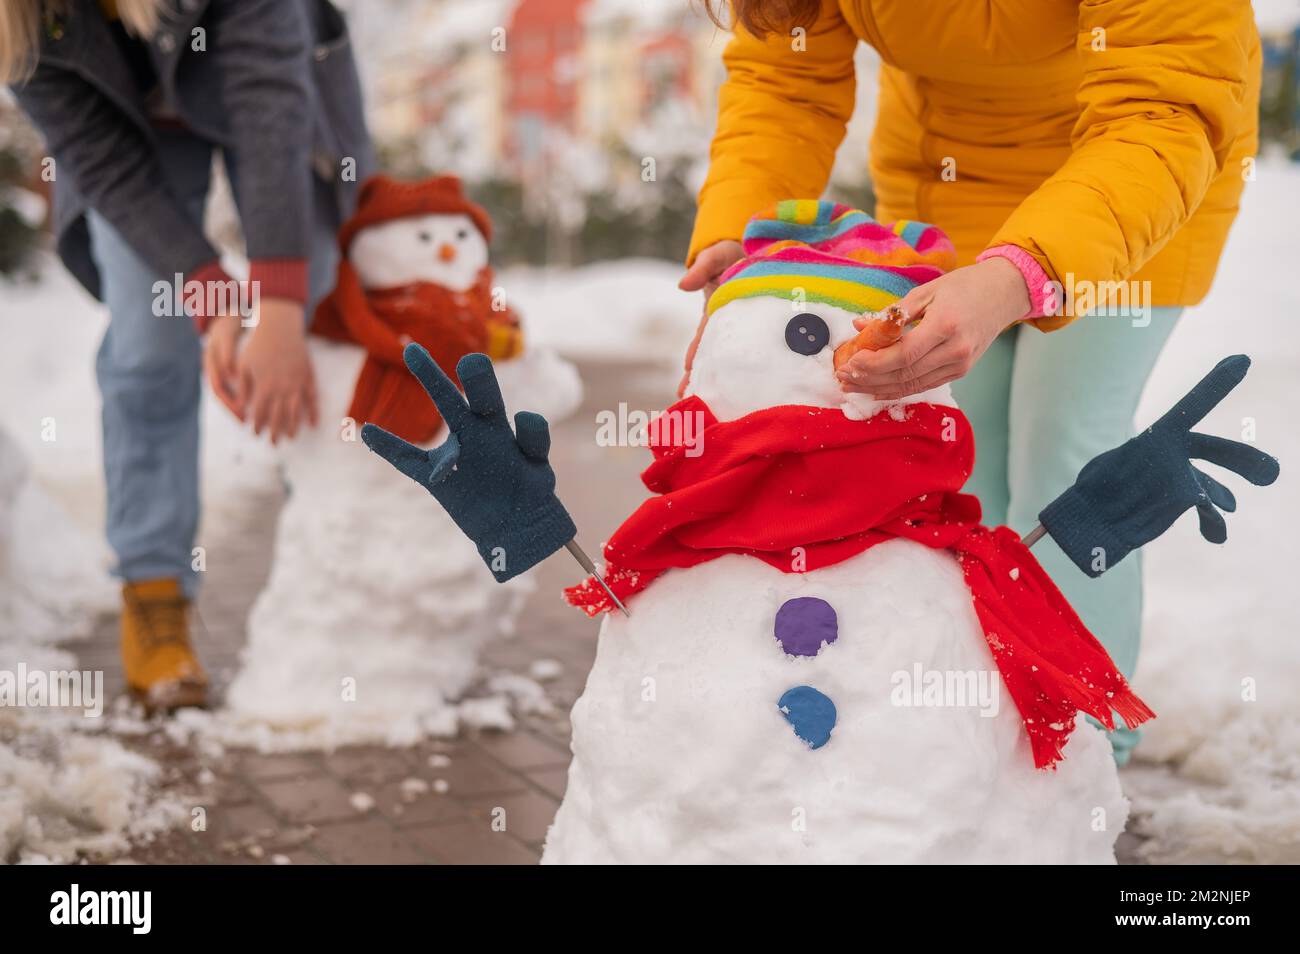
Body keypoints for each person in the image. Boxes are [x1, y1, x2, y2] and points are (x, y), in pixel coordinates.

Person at [679, 0, 1259, 763]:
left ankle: (1081, 743)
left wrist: (1021, 275)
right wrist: (742, 232)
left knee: (1063, 452)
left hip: (1135, 185)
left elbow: (1165, 108)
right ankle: (971, 727)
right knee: (956, 462)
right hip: (950, 181)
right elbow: (786, 82)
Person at [2, 0, 374, 708]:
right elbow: (98, 156)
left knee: (324, 309)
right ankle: (155, 595)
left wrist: (281, 305)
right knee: (148, 341)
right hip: (132, 140)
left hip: (270, 95)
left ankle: (335, 575)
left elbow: (269, 95)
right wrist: (210, 294)